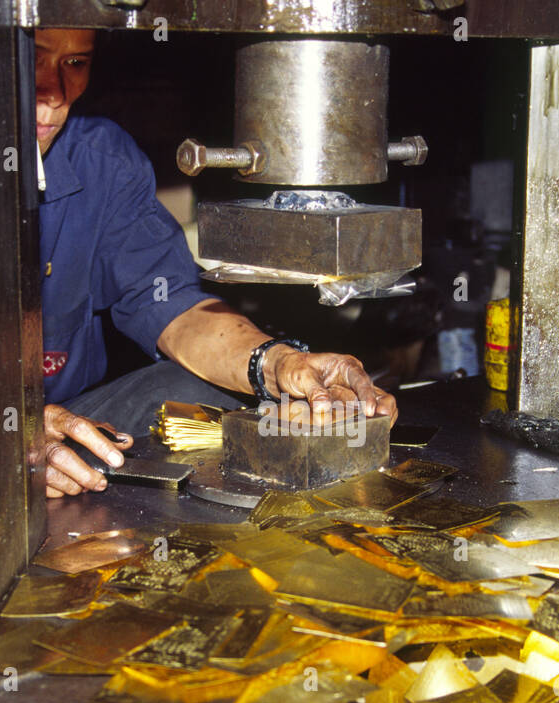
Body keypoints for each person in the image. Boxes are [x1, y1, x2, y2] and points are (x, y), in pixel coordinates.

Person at [32, 28, 398, 498]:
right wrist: (5, 438)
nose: (56, 90)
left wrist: (282, 366)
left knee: (206, 391)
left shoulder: (101, 159)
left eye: (76, 64)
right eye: (36, 59)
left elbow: (169, 303)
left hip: (70, 414)